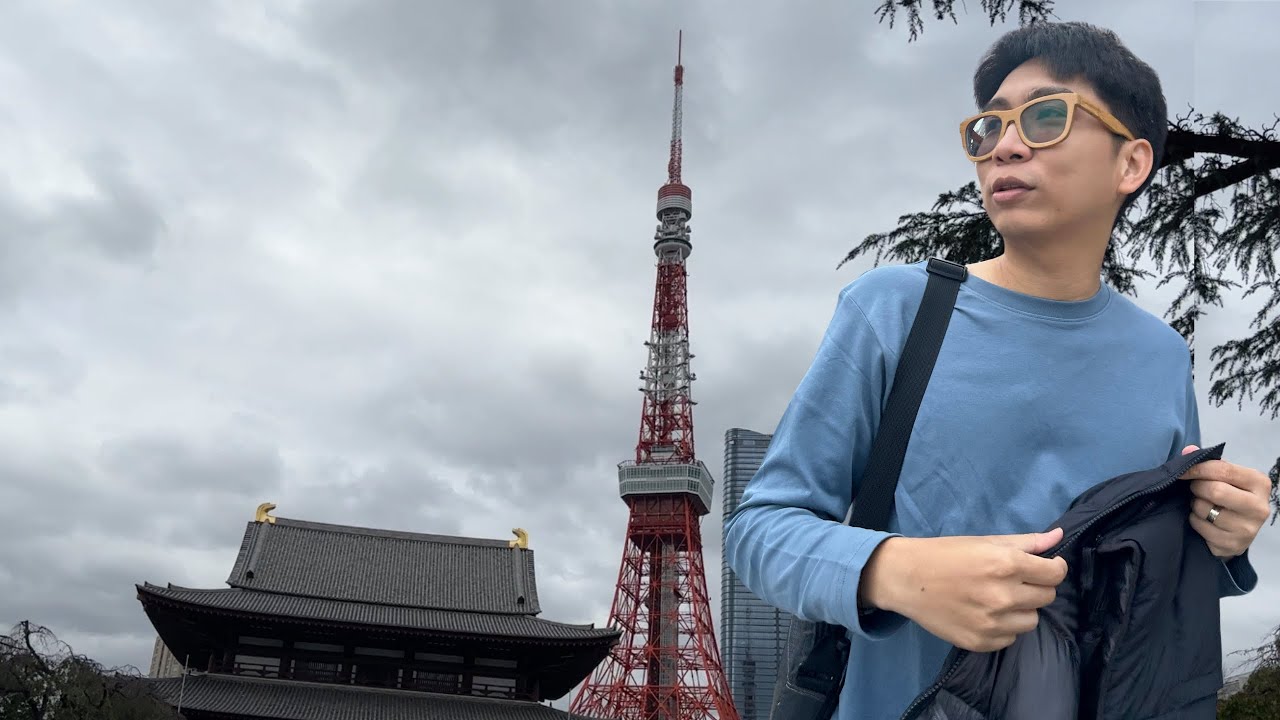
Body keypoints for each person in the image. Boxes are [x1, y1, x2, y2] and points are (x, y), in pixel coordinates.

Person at [722, 20, 1270, 719]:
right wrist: (898, 571)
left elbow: (1144, 581)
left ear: (1131, 164)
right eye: (988, 128)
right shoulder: (895, 309)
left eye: (1046, 117)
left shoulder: (1161, 355)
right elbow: (759, 529)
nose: (1004, 145)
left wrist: (1222, 533)